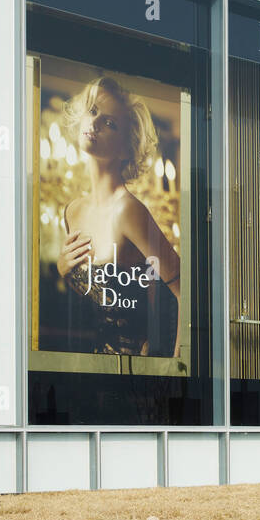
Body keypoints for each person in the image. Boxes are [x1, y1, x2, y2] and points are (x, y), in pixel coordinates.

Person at [56, 76, 181, 360]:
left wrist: (175, 371)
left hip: (135, 376)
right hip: (90, 365)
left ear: (126, 148)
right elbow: (88, 305)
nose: (95, 123)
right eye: (93, 111)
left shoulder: (128, 210)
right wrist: (64, 271)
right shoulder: (72, 211)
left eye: (110, 123)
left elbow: (184, 292)